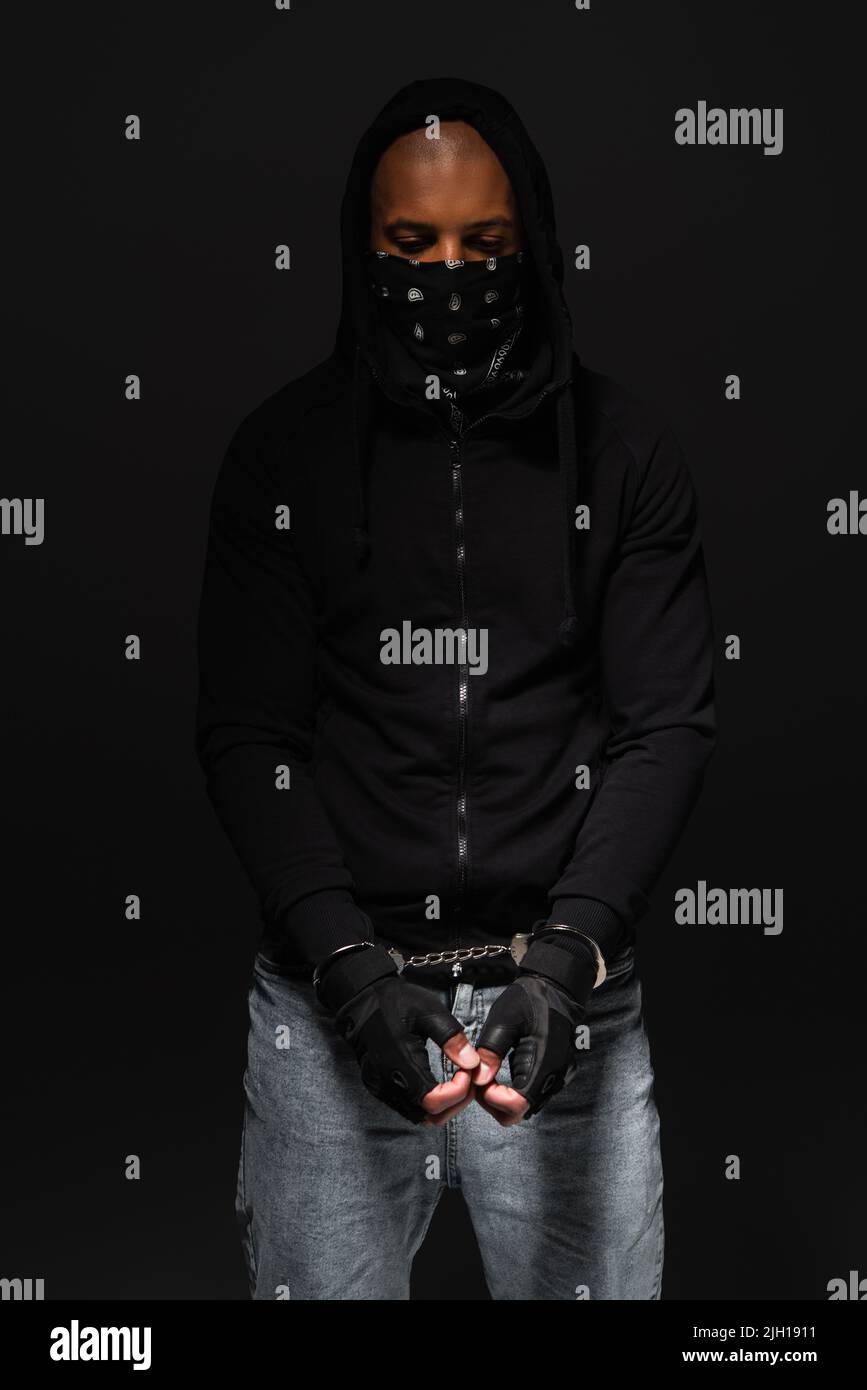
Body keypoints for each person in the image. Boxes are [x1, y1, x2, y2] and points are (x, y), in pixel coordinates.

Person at [194, 76, 717, 1300]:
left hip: (567, 1007)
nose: (448, 270)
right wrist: (350, 972)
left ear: (530, 243)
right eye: (411, 244)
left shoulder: (628, 455)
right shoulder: (284, 456)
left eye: (484, 245)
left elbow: (665, 728)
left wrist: (568, 959)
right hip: (332, 1016)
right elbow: (248, 734)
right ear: (360, 246)